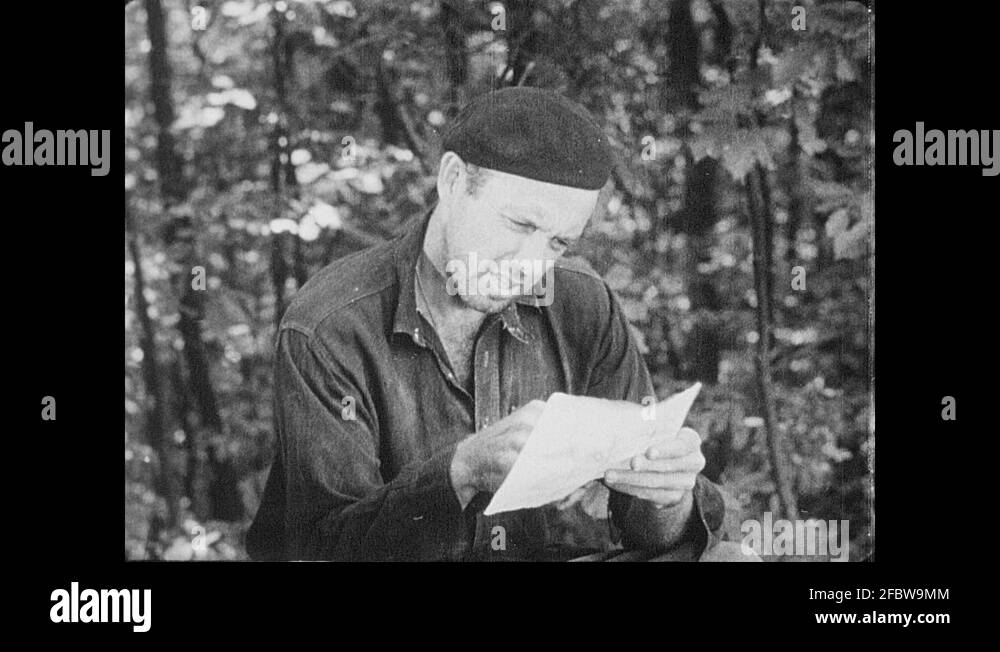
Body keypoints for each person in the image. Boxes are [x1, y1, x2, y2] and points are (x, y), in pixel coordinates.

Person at [247, 87, 757, 561]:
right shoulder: (331, 326)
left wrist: (668, 497)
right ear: (452, 181)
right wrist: (460, 472)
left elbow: (652, 537)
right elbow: (319, 549)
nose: (529, 264)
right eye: (519, 224)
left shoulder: (582, 303)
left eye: (557, 243)